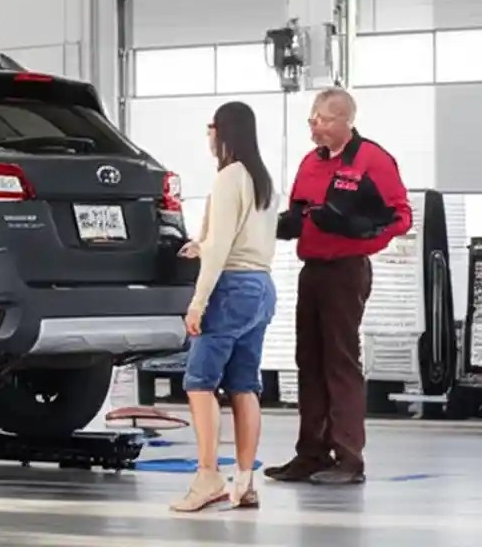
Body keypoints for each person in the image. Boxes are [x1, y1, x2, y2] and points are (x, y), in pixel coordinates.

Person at [266, 87, 411, 486]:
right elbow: (298, 212)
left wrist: (358, 231)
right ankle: (310, 453)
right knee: (308, 361)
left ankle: (349, 458)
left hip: (346, 271)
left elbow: (400, 217)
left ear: (346, 120)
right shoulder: (309, 163)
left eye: (324, 118)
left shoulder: (373, 161)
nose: (315, 124)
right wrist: (281, 225)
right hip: (311, 269)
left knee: (340, 361)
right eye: (312, 117)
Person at [170, 101, 279, 513]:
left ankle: (207, 476)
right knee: (244, 385)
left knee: (198, 382)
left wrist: (197, 303)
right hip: (261, 287)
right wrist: (203, 244)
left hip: (231, 289)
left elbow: (220, 250)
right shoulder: (263, 179)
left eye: (210, 128)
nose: (208, 136)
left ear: (223, 131)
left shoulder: (229, 176)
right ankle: (245, 482)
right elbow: (238, 237)